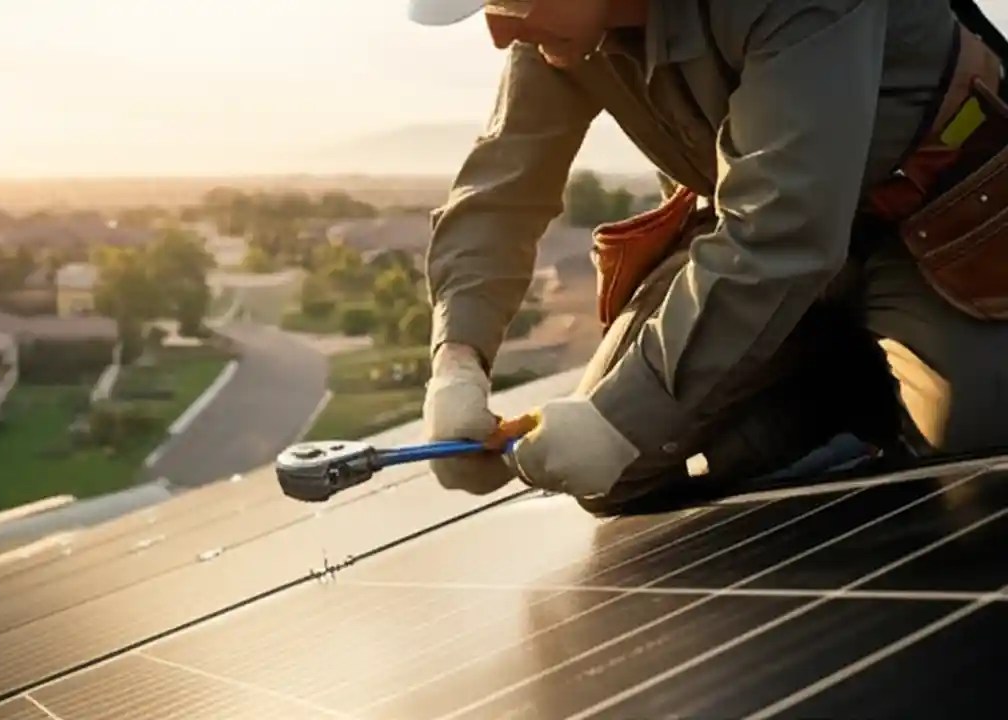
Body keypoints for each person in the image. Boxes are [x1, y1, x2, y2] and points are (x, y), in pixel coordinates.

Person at [411, 0, 1008, 514]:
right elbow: (500, 195)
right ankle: (842, 381)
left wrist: (620, 415)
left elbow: (783, 230)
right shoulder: (557, 30)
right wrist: (458, 360)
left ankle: (889, 372)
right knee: (612, 470)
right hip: (761, 258)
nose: (499, 31)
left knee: (972, 447)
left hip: (935, 226)